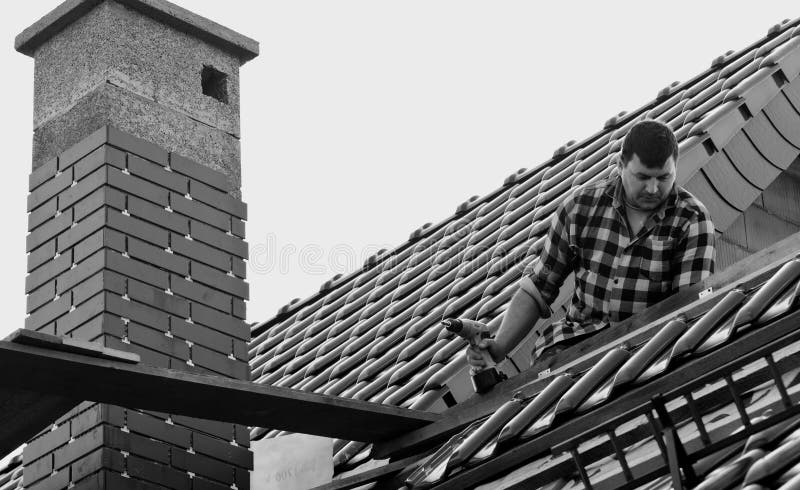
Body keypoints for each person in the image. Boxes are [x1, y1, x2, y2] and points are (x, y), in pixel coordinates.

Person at [467, 119, 716, 370]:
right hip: (575, 344)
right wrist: (498, 348)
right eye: (642, 177)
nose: (653, 189)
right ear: (620, 165)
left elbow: (689, 307)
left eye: (664, 177)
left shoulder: (692, 219)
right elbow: (538, 288)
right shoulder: (581, 207)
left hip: (649, 347)